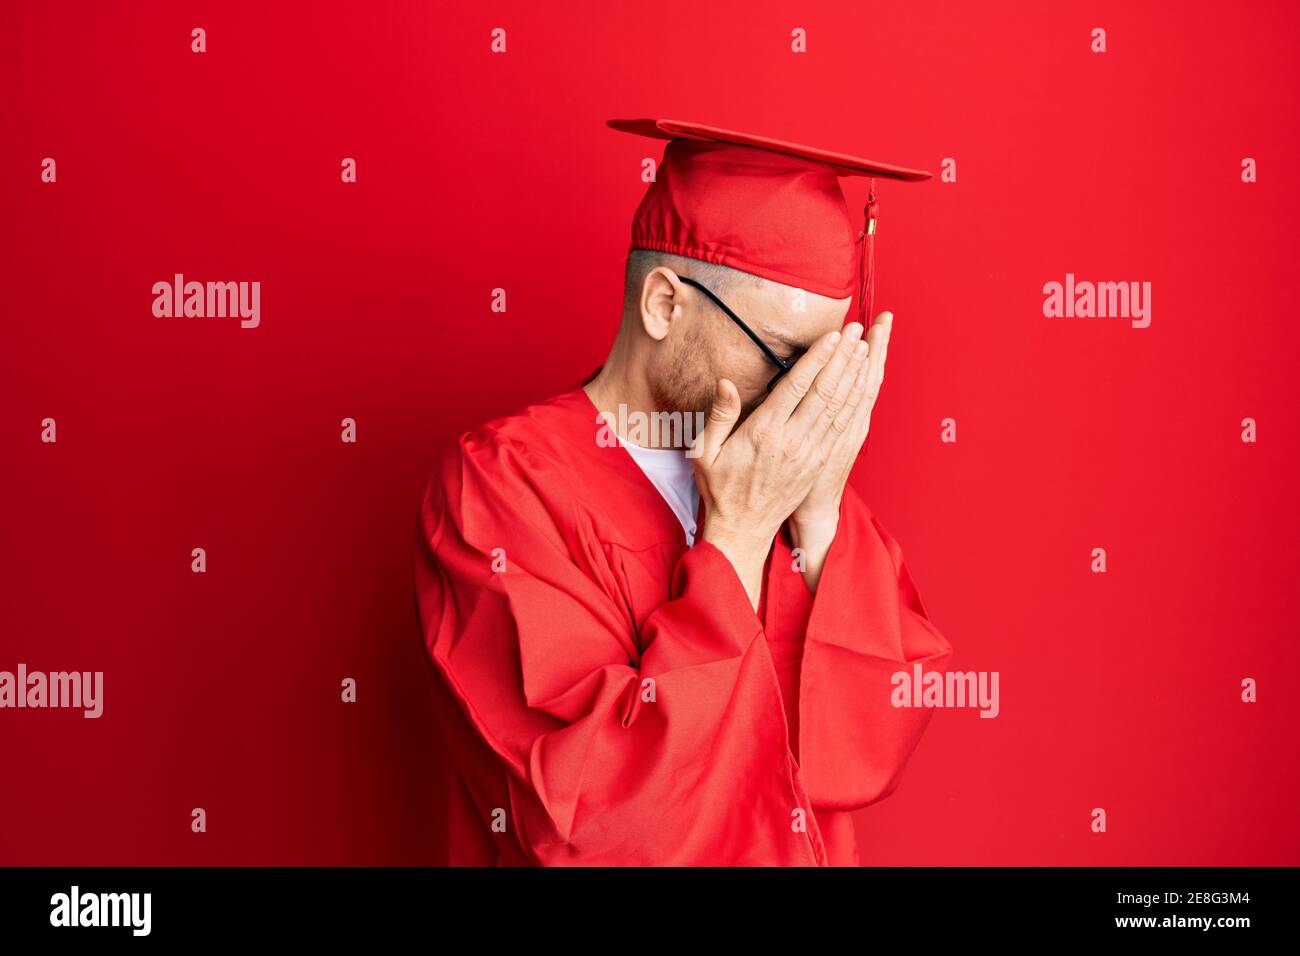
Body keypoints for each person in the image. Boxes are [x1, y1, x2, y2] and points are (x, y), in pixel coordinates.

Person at [414, 118, 953, 865]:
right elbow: (598, 821)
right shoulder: (503, 485)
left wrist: (820, 517)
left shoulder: (787, 478)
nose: (803, 396)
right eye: (784, 356)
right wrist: (734, 541)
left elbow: (868, 745)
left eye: (826, 361)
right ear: (665, 305)